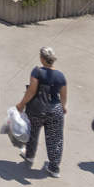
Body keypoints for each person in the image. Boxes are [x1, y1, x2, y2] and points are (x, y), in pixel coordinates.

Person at [16, 46, 68, 177]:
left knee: (33, 132)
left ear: (42, 58)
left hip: (37, 108)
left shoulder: (37, 71)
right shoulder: (61, 75)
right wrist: (63, 107)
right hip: (55, 110)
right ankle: (54, 168)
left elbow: (32, 91)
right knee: (55, 139)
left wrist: (22, 104)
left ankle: (29, 156)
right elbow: (63, 95)